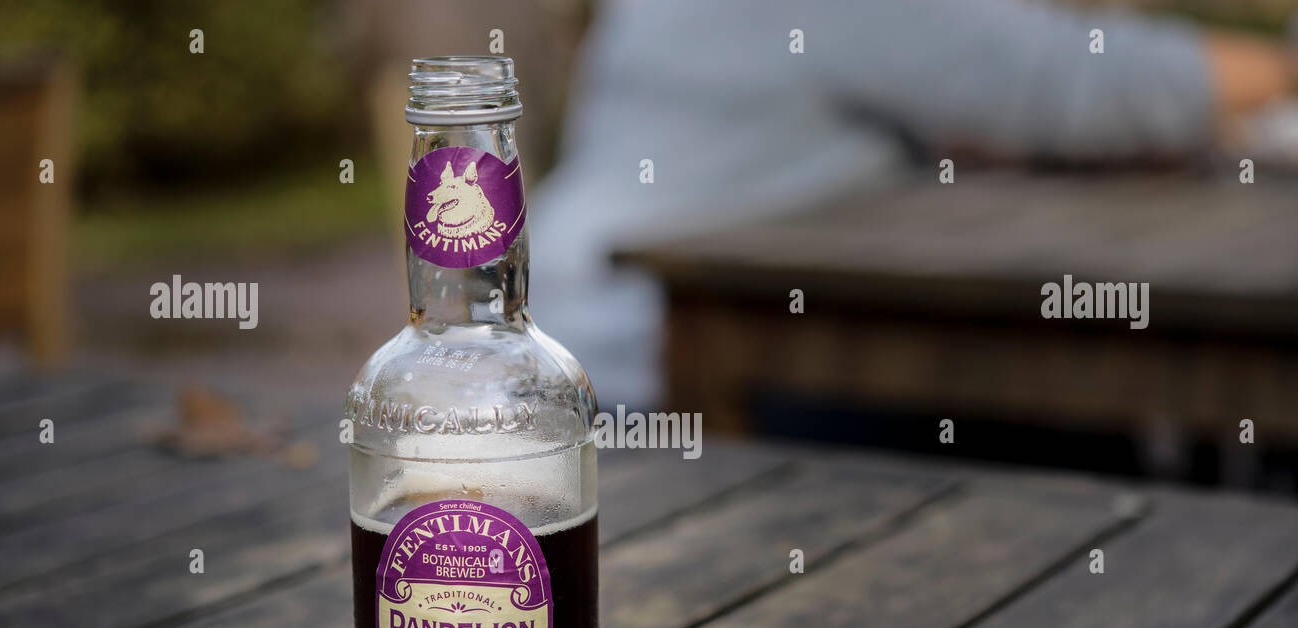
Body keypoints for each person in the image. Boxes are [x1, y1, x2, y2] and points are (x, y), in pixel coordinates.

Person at [527, 0, 1298, 409]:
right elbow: (1075, 83)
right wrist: (1283, 67)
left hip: (584, 330)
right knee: (1069, 436)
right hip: (657, 369)